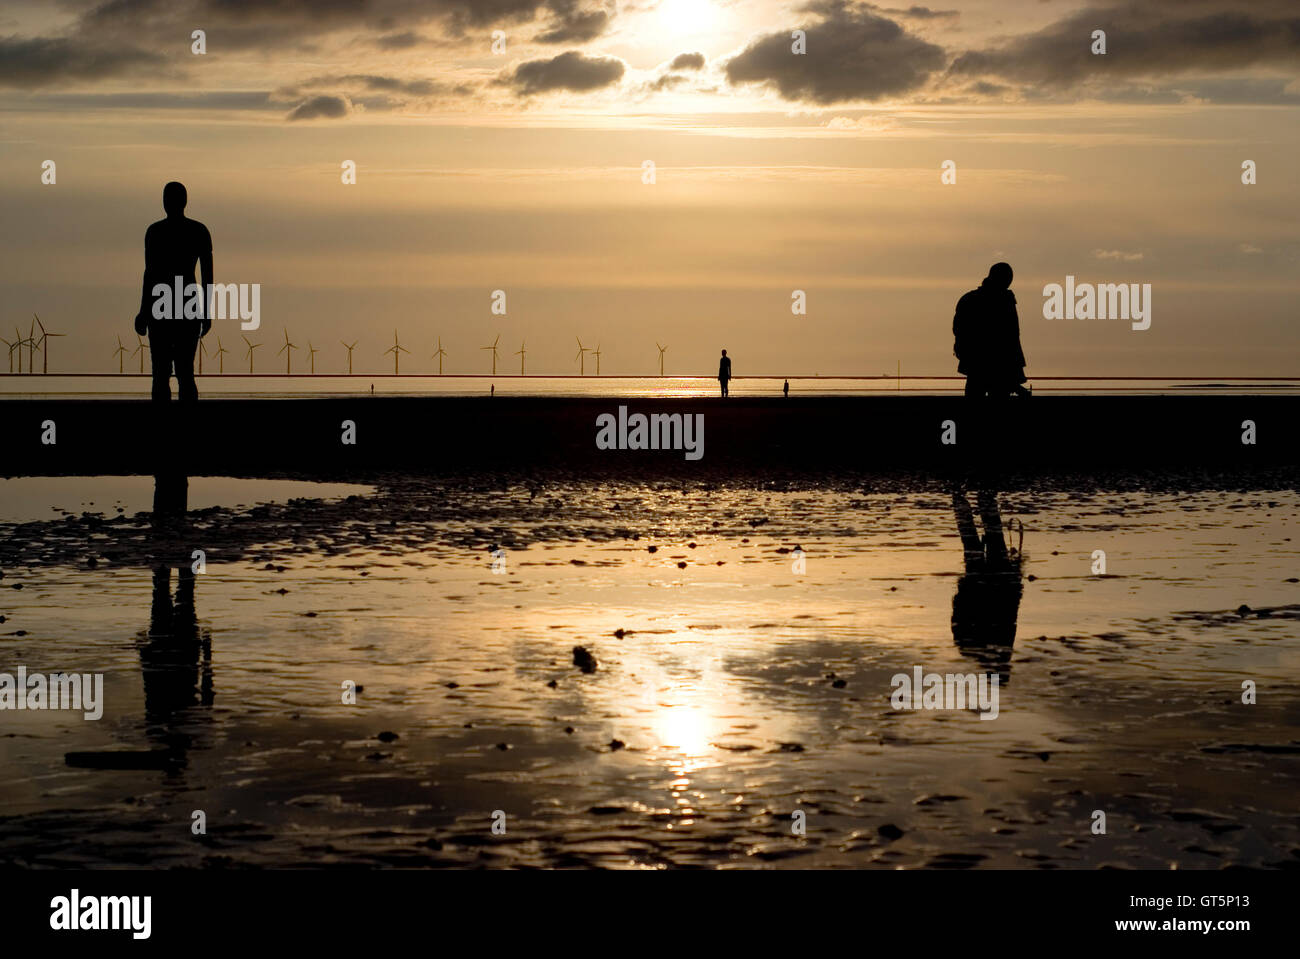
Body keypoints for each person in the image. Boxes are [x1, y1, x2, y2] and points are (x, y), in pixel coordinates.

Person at [135, 182, 212, 403]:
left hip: (162, 307)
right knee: (182, 372)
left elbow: (149, 275)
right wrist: (206, 312)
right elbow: (208, 278)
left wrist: (143, 311)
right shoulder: (198, 231)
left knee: (163, 374)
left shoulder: (155, 232)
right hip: (187, 307)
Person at [952, 262, 1029, 399]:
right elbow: (1011, 338)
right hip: (993, 365)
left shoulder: (969, 299)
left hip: (976, 364)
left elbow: (959, 330)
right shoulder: (1005, 301)